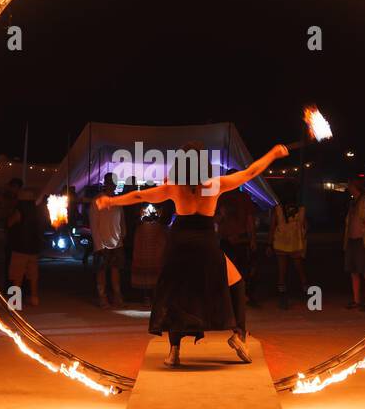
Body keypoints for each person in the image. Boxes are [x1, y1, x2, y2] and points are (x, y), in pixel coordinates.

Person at [95, 141, 289, 367]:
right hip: (206, 247)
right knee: (237, 282)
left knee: (175, 294)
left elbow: (140, 197)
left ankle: (174, 350)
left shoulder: (175, 188)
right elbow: (251, 172)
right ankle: (239, 335)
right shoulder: (213, 185)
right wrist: (273, 153)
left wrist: (111, 200)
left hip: (179, 247)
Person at [217, 176, 258, 306]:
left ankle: (231, 296)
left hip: (228, 238)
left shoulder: (221, 197)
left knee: (229, 269)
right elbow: (250, 221)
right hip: (239, 238)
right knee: (241, 268)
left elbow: (214, 219)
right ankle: (241, 295)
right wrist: (253, 239)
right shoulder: (244, 198)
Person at [90, 173, 126, 308]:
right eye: (110, 182)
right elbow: (93, 224)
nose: (112, 184)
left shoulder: (118, 200)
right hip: (102, 243)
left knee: (115, 270)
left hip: (117, 242)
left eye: (114, 182)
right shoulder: (97, 200)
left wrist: (122, 235)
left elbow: (121, 220)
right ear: (106, 183)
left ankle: (117, 295)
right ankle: (102, 297)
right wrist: (98, 243)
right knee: (101, 271)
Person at [270, 190, 308, 310]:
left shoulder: (277, 209)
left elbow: (272, 227)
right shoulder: (301, 209)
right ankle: (308, 292)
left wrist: (269, 244)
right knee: (300, 269)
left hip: (281, 243)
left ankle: (283, 298)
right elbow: (306, 226)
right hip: (296, 243)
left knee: (282, 271)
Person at [343, 176, 365, 311]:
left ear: (355, 187)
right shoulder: (353, 203)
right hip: (351, 240)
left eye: (350, 185)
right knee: (354, 271)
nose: (348, 188)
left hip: (362, 241)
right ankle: (357, 300)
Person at [6, 190, 43, 308]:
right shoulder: (37, 211)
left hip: (20, 248)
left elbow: (9, 223)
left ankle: (15, 301)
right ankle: (34, 298)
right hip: (33, 248)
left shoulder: (19, 211)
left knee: (16, 275)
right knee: (33, 276)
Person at [130, 204, 167, 308]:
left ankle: (154, 297)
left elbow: (162, 240)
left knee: (155, 275)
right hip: (146, 251)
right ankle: (148, 298)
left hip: (155, 253)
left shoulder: (159, 226)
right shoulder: (141, 226)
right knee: (146, 275)